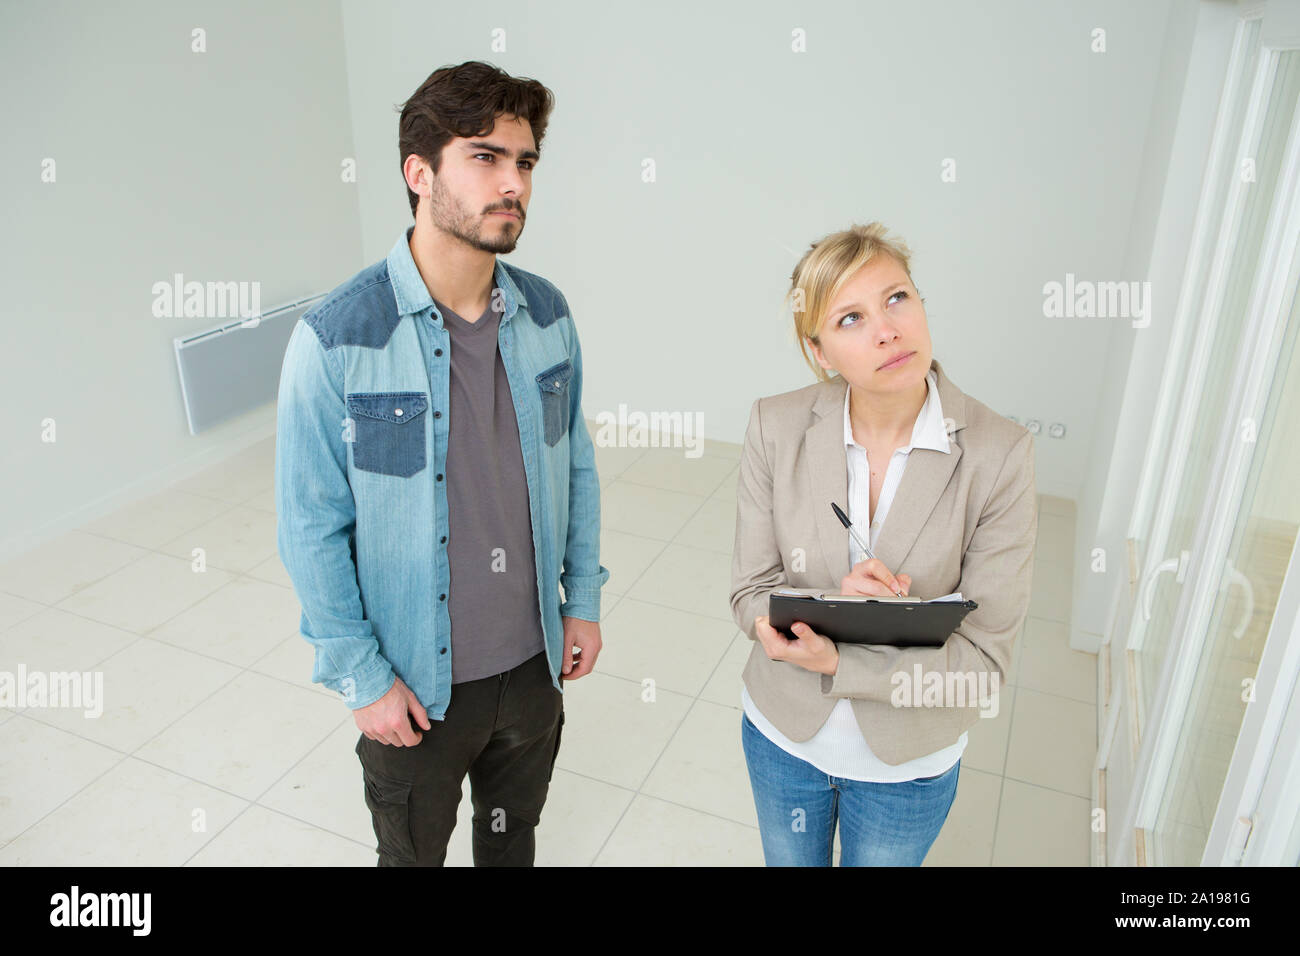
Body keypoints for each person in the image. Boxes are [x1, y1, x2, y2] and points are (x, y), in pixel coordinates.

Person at [274, 61, 608, 866]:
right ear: (419, 173)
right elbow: (310, 526)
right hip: (414, 684)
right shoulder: (337, 338)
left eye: (524, 162)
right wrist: (362, 677)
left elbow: (578, 471)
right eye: (485, 157)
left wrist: (584, 598)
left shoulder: (547, 315)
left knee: (511, 840)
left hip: (533, 666)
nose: (513, 184)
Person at [729, 222, 1037, 866]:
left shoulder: (1000, 452)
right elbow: (748, 595)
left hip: (907, 767)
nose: (887, 330)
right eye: (851, 318)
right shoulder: (775, 425)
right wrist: (827, 601)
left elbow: (982, 669)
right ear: (819, 352)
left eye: (897, 298)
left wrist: (842, 663)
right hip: (782, 737)